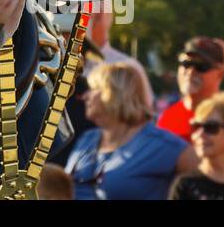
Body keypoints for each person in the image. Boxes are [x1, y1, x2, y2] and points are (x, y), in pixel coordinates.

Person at [65, 61, 196, 199]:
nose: (85, 96)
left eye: (93, 89)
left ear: (115, 93)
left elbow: (205, 185)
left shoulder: (166, 146)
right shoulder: (87, 139)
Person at [157, 37, 224, 139]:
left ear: (220, 74)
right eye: (186, 64)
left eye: (201, 66)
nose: (191, 72)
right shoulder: (167, 117)